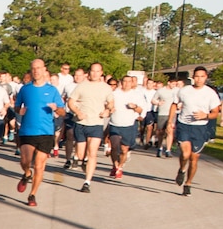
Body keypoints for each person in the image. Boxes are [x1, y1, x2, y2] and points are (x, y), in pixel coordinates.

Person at [11, 58, 65, 208]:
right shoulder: (25, 89)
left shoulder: (52, 90)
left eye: (39, 68)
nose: (36, 71)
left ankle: (32, 194)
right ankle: (27, 173)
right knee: (25, 161)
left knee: (40, 165)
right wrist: (19, 111)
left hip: (46, 131)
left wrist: (56, 109)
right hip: (27, 131)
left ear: (44, 70)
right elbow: (16, 106)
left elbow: (62, 112)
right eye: (33, 68)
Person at [172, 65, 223, 195]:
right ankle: (182, 169)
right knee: (185, 154)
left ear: (206, 77)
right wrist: (170, 122)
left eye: (202, 76)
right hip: (184, 124)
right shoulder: (184, 90)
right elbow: (174, 105)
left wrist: (205, 115)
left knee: (194, 158)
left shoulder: (210, 93)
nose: (199, 79)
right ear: (193, 77)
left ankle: (188, 184)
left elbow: (215, 113)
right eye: (197, 76)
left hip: (200, 127)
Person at [66, 62, 114, 193]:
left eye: (98, 71)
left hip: (96, 123)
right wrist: (78, 112)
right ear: (89, 72)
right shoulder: (81, 86)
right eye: (93, 71)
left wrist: (107, 111)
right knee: (81, 155)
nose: (95, 74)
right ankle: (82, 161)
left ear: (101, 73)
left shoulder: (106, 88)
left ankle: (87, 182)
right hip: (81, 123)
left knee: (92, 153)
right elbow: (70, 102)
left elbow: (111, 103)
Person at [106, 68, 149, 181]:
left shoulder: (136, 95)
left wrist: (135, 107)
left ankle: (120, 167)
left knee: (124, 150)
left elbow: (141, 110)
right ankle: (115, 166)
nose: (126, 84)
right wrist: (110, 108)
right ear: (121, 82)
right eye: (124, 81)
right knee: (115, 147)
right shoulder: (114, 94)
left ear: (132, 83)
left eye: (129, 82)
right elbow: (107, 105)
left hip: (128, 125)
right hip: (115, 123)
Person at [151, 75, 180, 157]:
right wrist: (158, 103)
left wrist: (180, 105)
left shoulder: (177, 91)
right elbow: (153, 100)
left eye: (175, 84)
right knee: (161, 132)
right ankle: (159, 148)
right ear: (169, 83)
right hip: (162, 113)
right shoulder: (161, 91)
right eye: (173, 84)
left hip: (172, 114)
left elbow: (181, 100)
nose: (174, 86)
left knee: (170, 131)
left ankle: (168, 150)